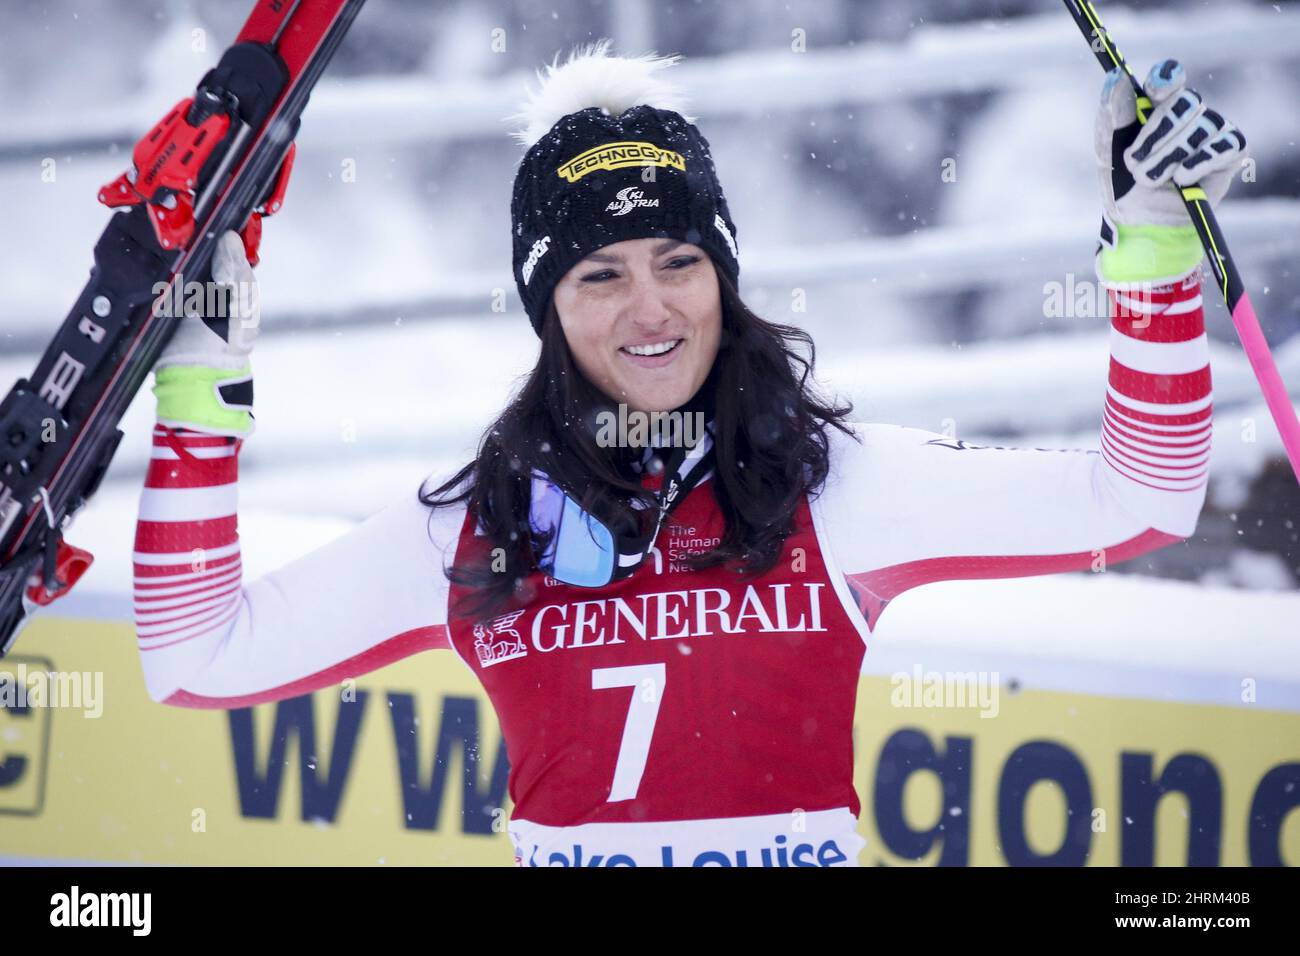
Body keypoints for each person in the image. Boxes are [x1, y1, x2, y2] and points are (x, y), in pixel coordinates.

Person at [132, 42, 1246, 867]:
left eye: (678, 260)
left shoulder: (836, 484)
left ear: (723, 275)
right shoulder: (485, 521)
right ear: (546, 307)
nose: (650, 307)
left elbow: (1139, 493)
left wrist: (1147, 247)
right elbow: (196, 657)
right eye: (598, 274)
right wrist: (197, 403)